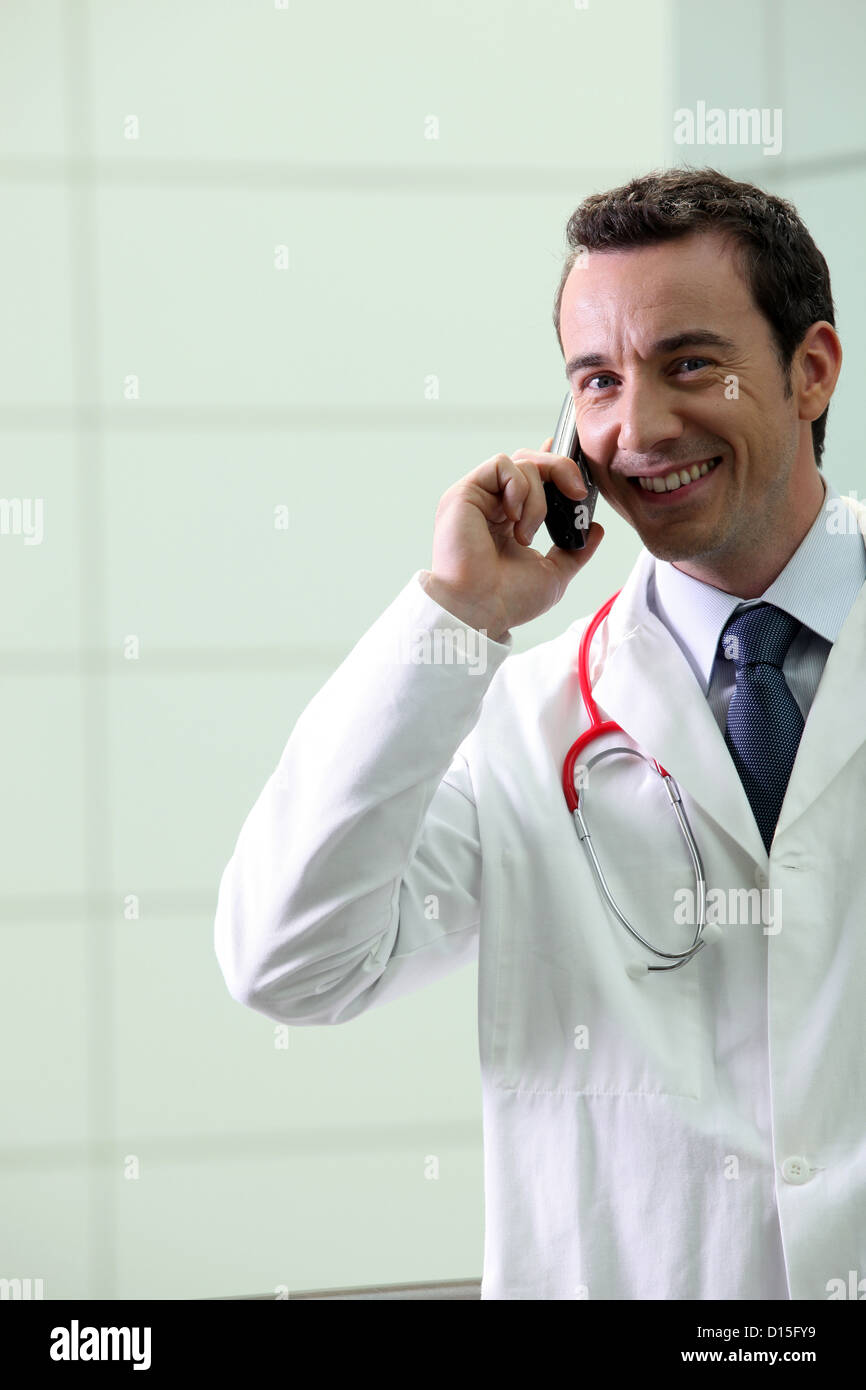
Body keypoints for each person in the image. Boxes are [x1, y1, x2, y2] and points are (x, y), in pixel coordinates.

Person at [214, 167, 866, 1301]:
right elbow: (288, 963)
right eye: (597, 380)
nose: (638, 428)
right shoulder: (520, 718)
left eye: (688, 364)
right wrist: (456, 618)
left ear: (810, 370)